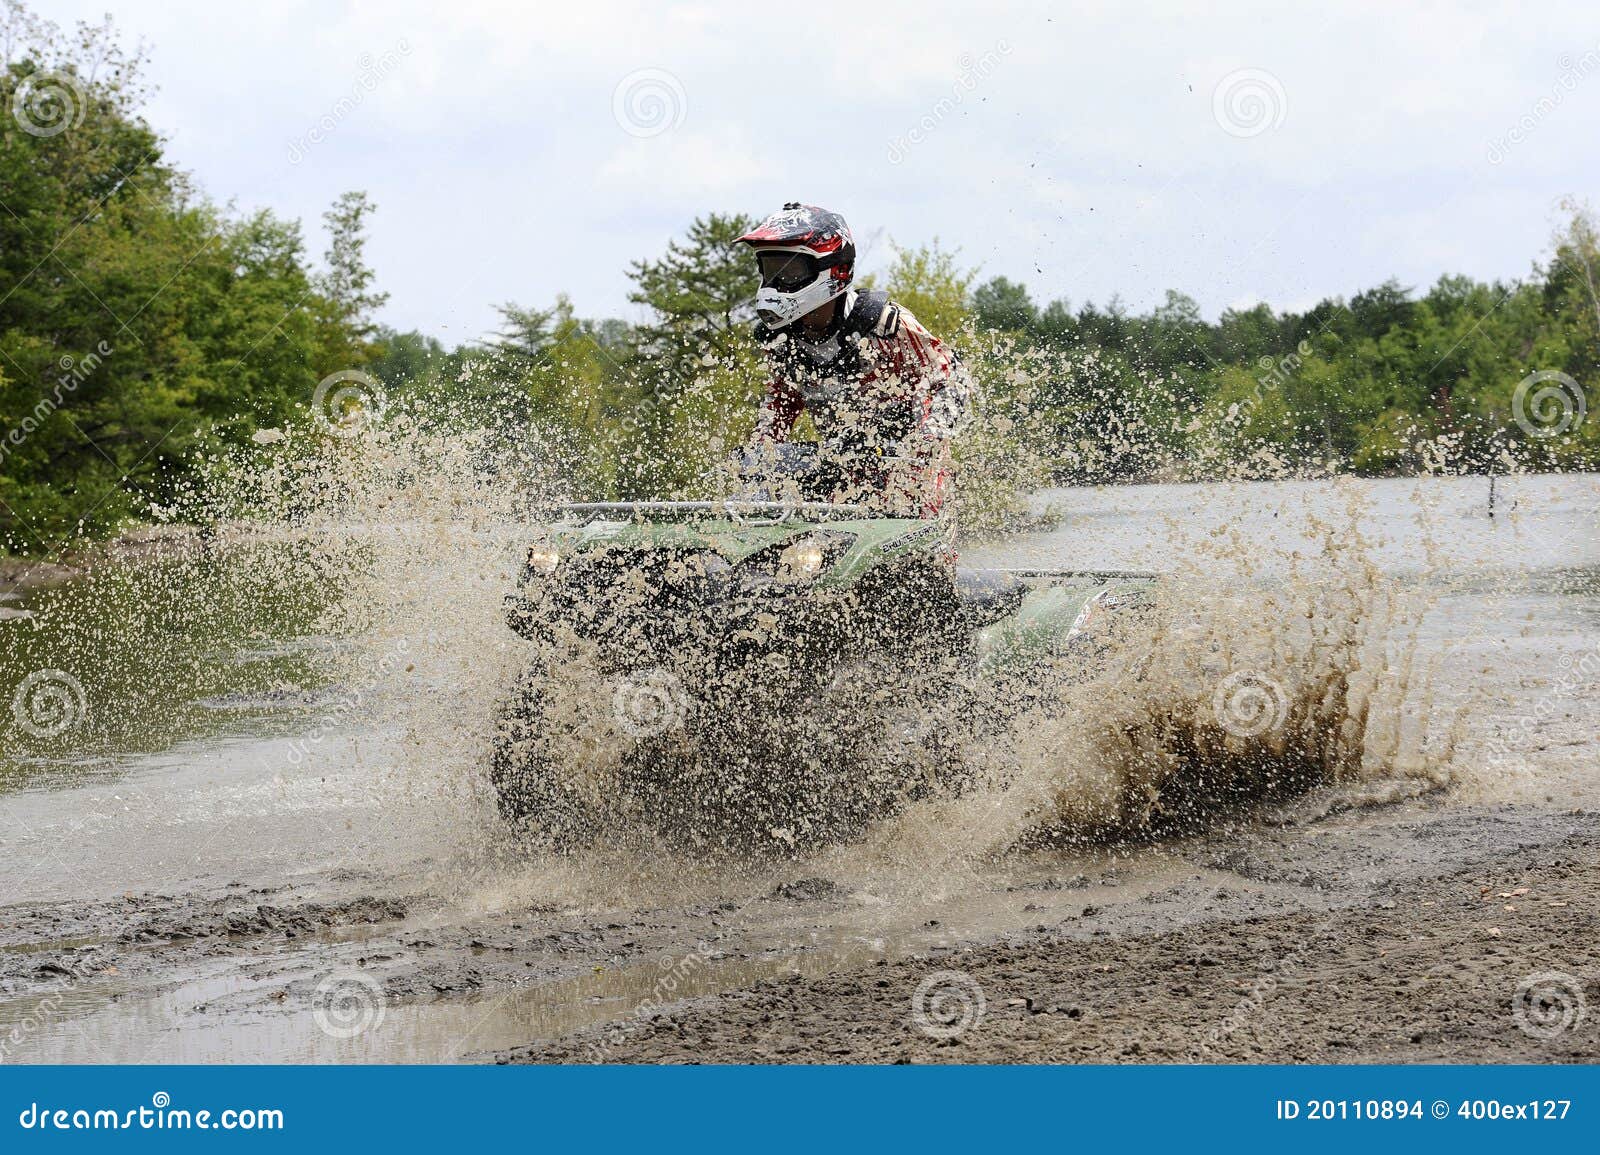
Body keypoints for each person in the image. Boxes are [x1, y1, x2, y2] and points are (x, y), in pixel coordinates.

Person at [735, 203, 970, 516]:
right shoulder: (782, 343)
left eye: (789, 272)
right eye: (770, 270)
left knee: (909, 514)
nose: (775, 284)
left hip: (910, 470)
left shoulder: (886, 326)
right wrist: (756, 459)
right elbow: (779, 407)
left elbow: (952, 375)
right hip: (841, 466)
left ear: (831, 268)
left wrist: (928, 437)